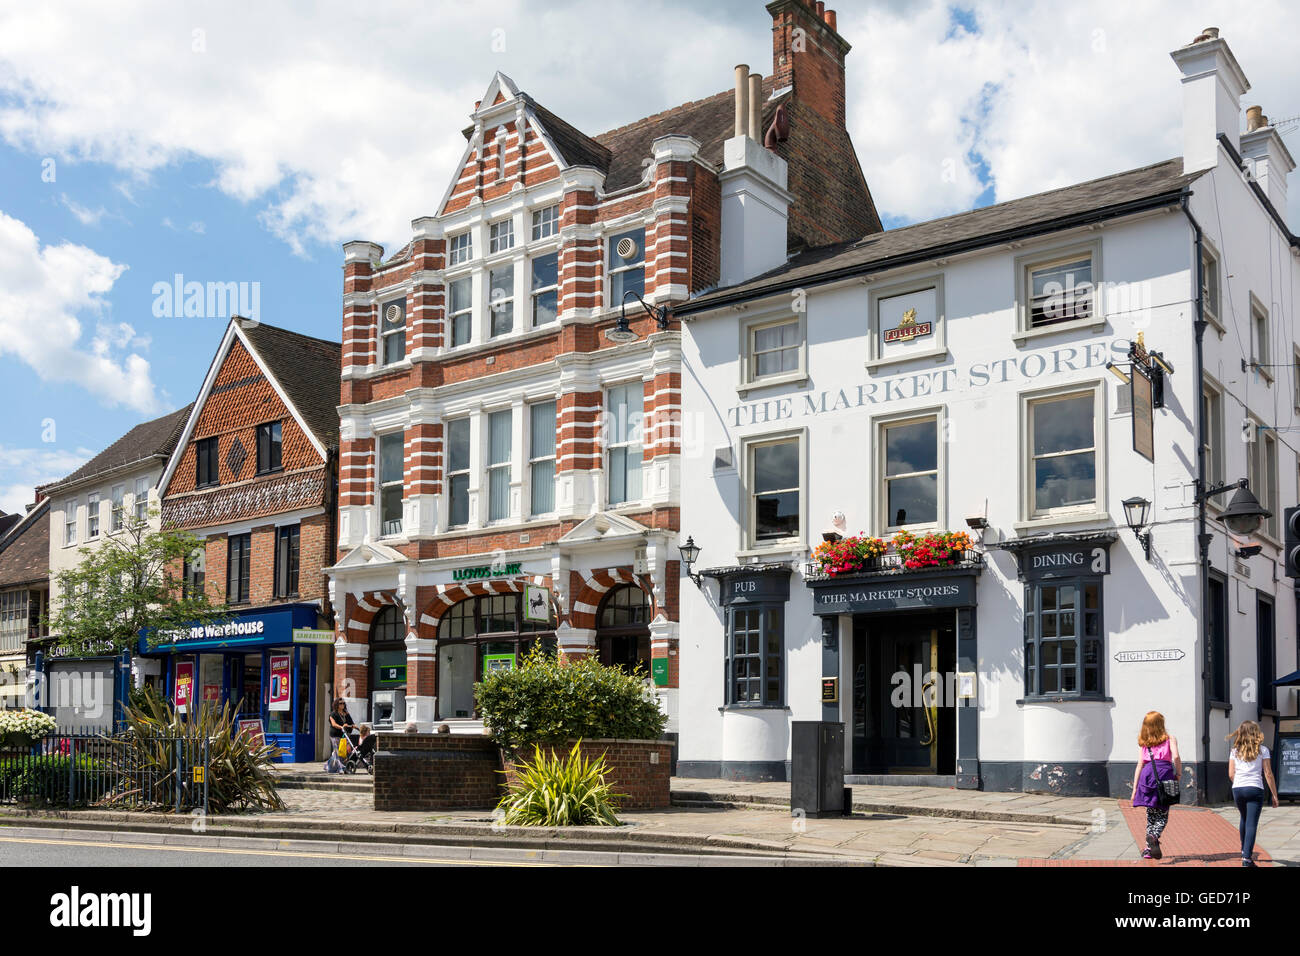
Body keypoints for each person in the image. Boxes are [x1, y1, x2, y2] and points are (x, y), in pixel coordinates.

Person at [1227, 720, 1279, 867]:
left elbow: (1231, 774)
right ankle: (1247, 859)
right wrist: (1274, 795)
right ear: (1256, 733)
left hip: (1238, 788)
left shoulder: (1234, 751)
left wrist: (1239, 785)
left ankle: (1245, 852)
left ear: (1240, 733)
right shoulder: (1263, 750)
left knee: (1244, 819)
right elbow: (1268, 773)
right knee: (1251, 824)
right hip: (1255, 789)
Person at [1130, 710, 1180, 860]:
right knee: (1163, 812)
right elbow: (1176, 756)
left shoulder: (1145, 743)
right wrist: (1178, 773)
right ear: (1161, 724)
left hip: (1147, 776)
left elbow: (1140, 765)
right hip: (1164, 774)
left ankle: (1147, 849)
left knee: (1151, 813)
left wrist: (1134, 788)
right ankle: (1153, 836)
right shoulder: (1170, 738)